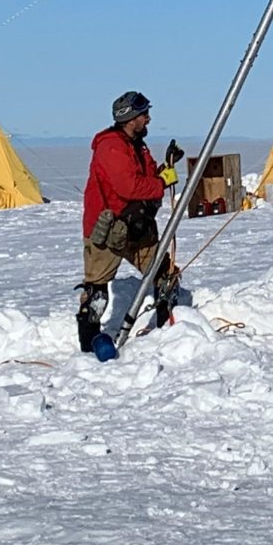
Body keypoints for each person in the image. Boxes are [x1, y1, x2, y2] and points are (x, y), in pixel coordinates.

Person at [78, 91, 183, 355]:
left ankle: (166, 331)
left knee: (165, 275)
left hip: (138, 227)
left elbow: (146, 178)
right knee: (97, 292)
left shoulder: (138, 145)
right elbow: (129, 187)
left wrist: (165, 170)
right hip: (107, 229)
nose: (148, 118)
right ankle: (90, 345)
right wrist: (161, 183)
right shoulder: (110, 146)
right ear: (130, 118)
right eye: (143, 114)